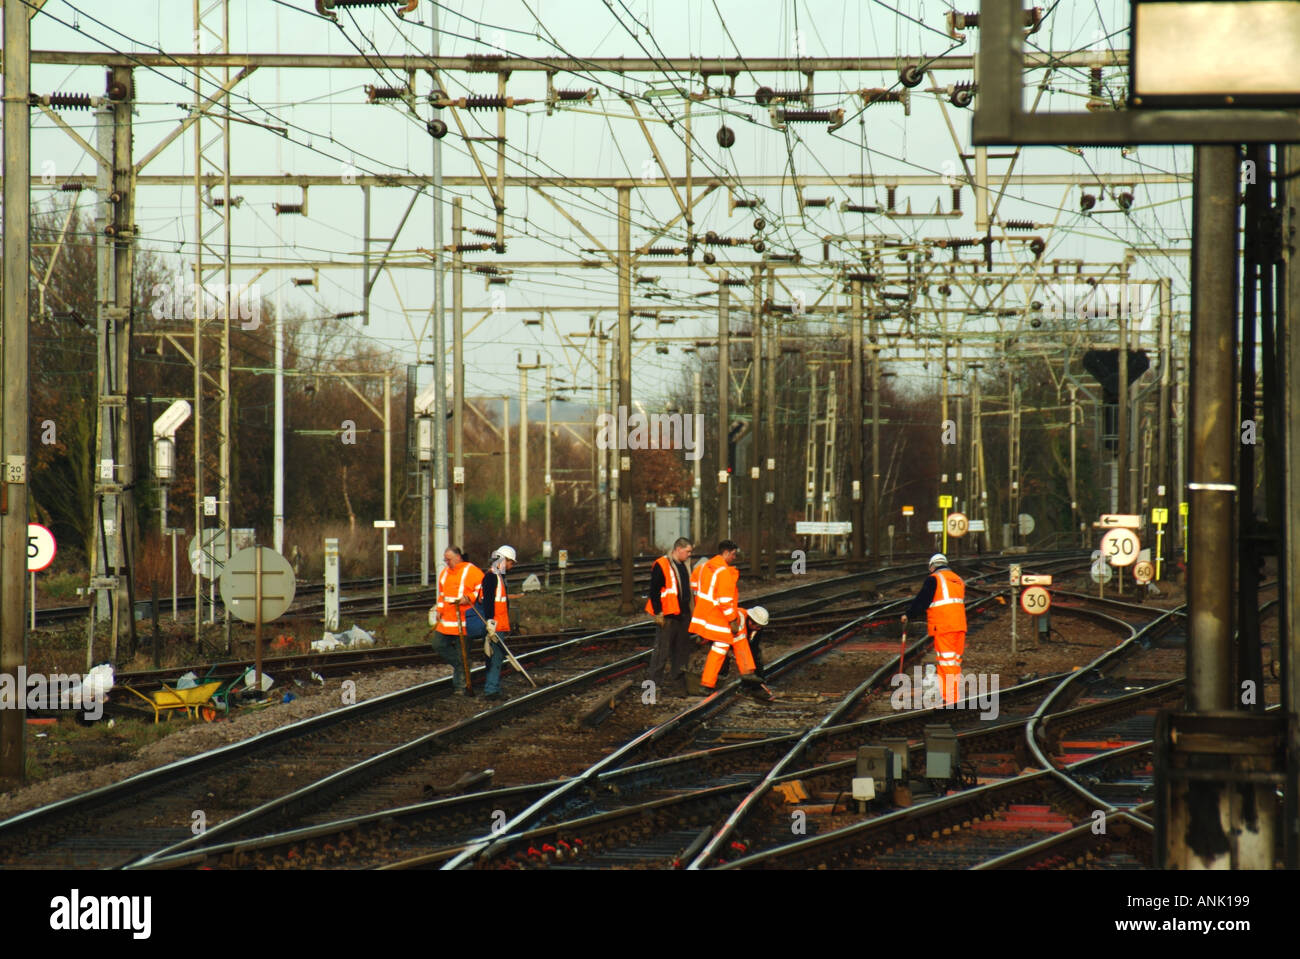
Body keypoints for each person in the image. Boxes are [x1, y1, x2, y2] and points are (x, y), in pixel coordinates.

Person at [690, 540, 774, 700]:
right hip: (718, 617)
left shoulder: (703, 568)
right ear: (726, 553)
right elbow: (725, 600)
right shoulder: (724, 573)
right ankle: (740, 674)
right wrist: (732, 620)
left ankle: (742, 673)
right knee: (727, 642)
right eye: (734, 554)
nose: (735, 557)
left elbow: (694, 587)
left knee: (729, 643)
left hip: (704, 614)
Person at [900, 553, 967, 704]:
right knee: (954, 662)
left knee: (946, 663)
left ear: (932, 566)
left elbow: (922, 601)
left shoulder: (934, 579)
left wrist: (909, 615)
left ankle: (951, 700)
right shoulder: (957, 579)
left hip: (945, 626)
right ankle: (954, 696)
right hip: (960, 626)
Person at [430, 546, 484, 695]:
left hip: (465, 621)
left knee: (462, 652)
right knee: (438, 644)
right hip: (447, 621)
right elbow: (442, 595)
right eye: (445, 560)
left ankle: (461, 687)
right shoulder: (444, 574)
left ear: (458, 557)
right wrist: (439, 610)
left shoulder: (472, 571)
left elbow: (481, 590)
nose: (446, 562)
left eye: (449, 559)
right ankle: (464, 666)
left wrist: (469, 598)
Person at [467, 545, 517, 700]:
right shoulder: (491, 577)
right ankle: (491, 690)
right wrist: (490, 622)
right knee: (495, 658)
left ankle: (492, 688)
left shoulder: (499, 577)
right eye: (511, 562)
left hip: (499, 624)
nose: (511, 566)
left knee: (494, 656)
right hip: (495, 625)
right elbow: (488, 601)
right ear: (503, 560)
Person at [646, 537, 694, 697]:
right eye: (687, 551)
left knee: (681, 653)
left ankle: (679, 687)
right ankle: (651, 690)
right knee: (661, 653)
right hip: (667, 616)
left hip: (683, 615)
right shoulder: (662, 564)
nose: (689, 554)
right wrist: (659, 613)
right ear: (678, 549)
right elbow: (653, 591)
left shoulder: (685, 565)